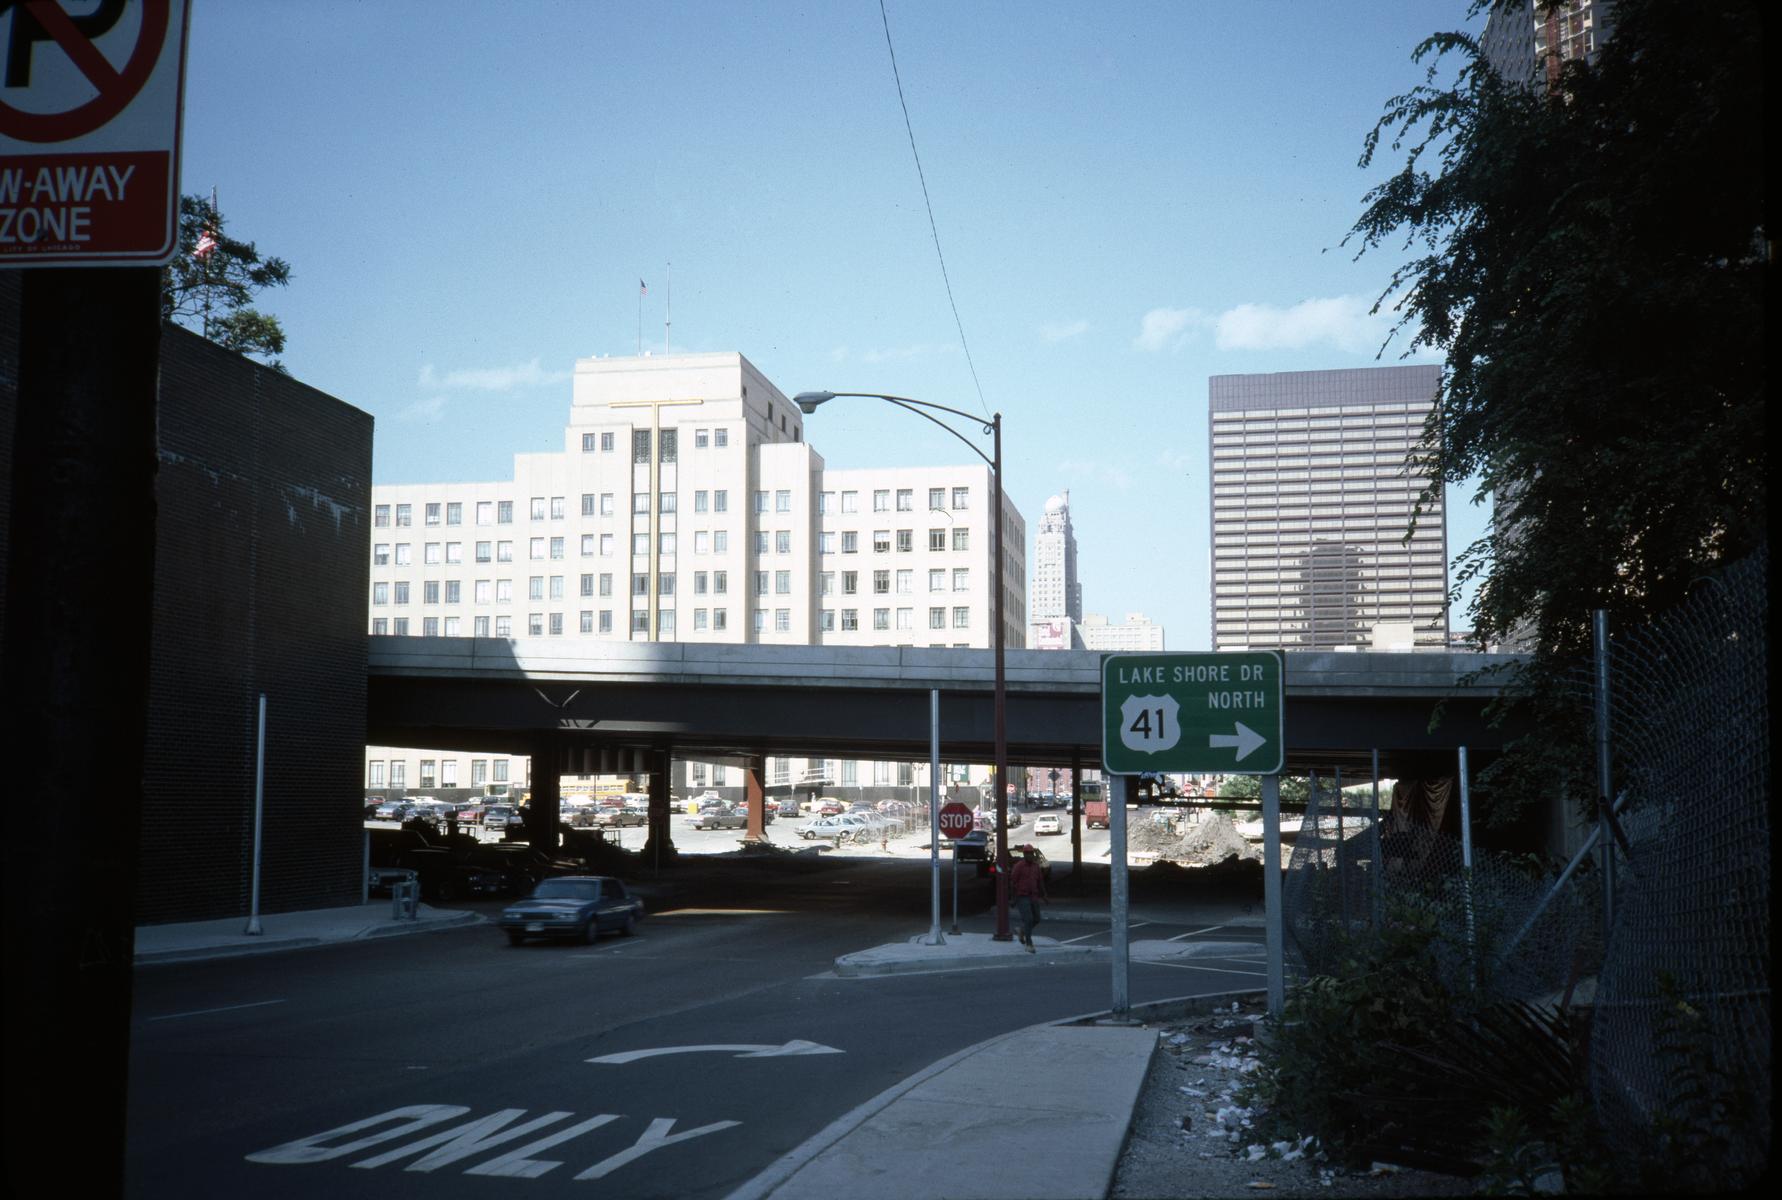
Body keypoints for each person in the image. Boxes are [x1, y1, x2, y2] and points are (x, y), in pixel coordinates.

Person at [1009, 844, 1048, 952]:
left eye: (1031, 853)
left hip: (1033, 896)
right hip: (1022, 896)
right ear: (1024, 854)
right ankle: (1029, 943)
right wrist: (1013, 898)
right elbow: (1013, 882)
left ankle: (1022, 931)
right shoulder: (1019, 866)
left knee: (1037, 918)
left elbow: (1040, 881)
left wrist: (1044, 894)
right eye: (1028, 854)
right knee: (1028, 919)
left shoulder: (1036, 866)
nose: (1030, 856)